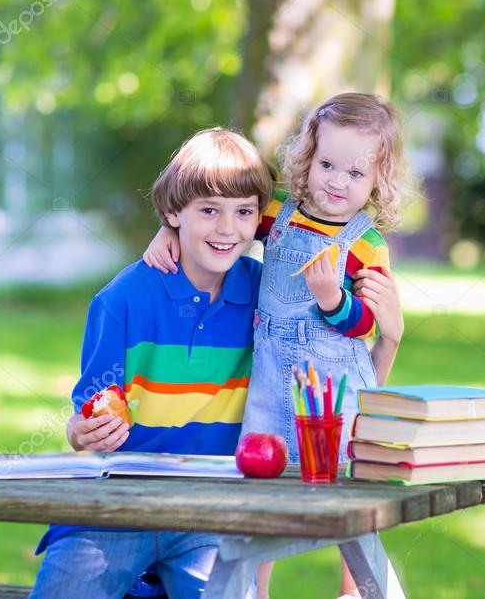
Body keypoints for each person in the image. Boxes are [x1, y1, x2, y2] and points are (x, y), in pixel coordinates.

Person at [144, 93, 412, 598]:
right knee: (260, 480)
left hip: (333, 382)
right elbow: (227, 213)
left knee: (347, 485)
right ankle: (255, 586)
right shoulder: (278, 214)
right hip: (271, 376)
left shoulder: (367, 243)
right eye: (327, 164)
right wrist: (168, 229)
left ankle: (353, 588)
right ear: (307, 159)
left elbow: (363, 325)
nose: (336, 181)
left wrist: (333, 300)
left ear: (379, 180)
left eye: (355, 174)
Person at [30, 127, 273, 599]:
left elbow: (314, 207)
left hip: (210, 513)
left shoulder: (267, 293)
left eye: (244, 213)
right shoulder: (122, 299)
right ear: (172, 211)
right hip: (117, 507)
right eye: (208, 211)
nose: (228, 229)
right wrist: (81, 433)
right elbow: (90, 411)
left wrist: (181, 217)